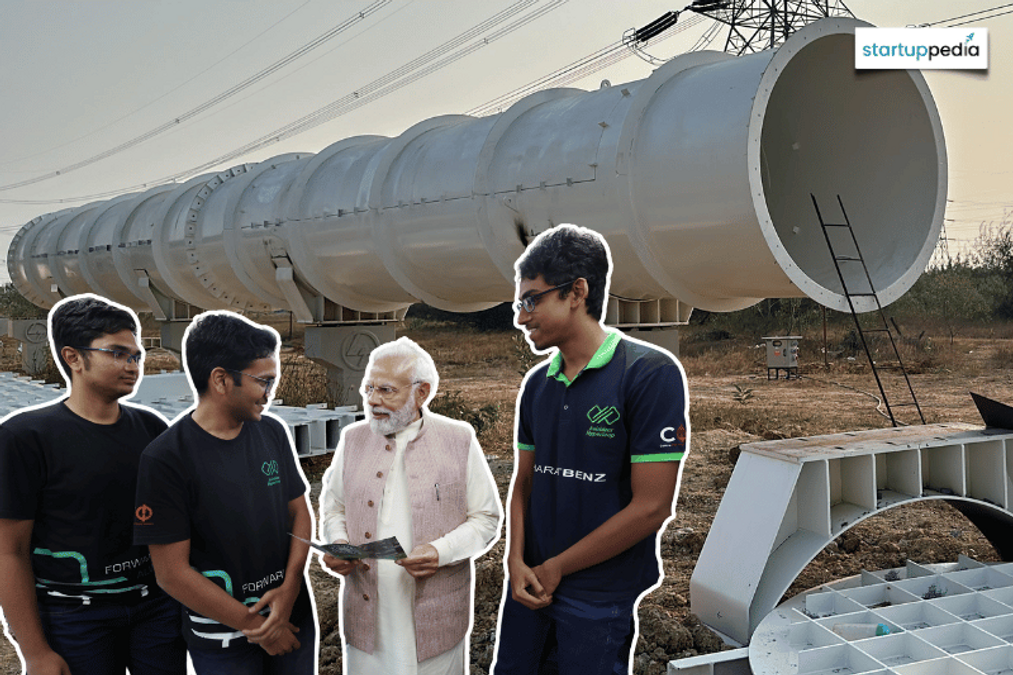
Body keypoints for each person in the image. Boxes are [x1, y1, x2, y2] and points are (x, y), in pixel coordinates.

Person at [491, 225, 690, 675]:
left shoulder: (648, 374)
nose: (521, 317)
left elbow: (652, 507)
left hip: (598, 596)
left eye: (532, 299)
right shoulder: (537, 385)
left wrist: (559, 566)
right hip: (528, 587)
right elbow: (523, 482)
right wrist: (515, 560)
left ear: (576, 292)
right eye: (518, 303)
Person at [0, 293, 186, 675]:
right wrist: (35, 652)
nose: (132, 365)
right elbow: (9, 551)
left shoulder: (150, 428)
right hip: (74, 618)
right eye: (117, 353)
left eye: (136, 356)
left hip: (156, 611)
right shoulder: (25, 438)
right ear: (73, 357)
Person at [133, 311, 317, 674]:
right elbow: (171, 573)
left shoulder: (272, 433)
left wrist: (291, 586)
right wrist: (257, 627)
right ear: (221, 380)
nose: (270, 393)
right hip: (224, 637)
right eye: (263, 381)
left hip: (290, 614)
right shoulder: (167, 459)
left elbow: (299, 513)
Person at [318, 337, 502, 675]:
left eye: (386, 390)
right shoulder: (353, 439)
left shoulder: (458, 439)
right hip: (367, 615)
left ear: (421, 392)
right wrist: (338, 542)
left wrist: (441, 551)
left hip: (437, 617)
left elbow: (487, 518)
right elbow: (333, 507)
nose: (373, 400)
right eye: (368, 387)